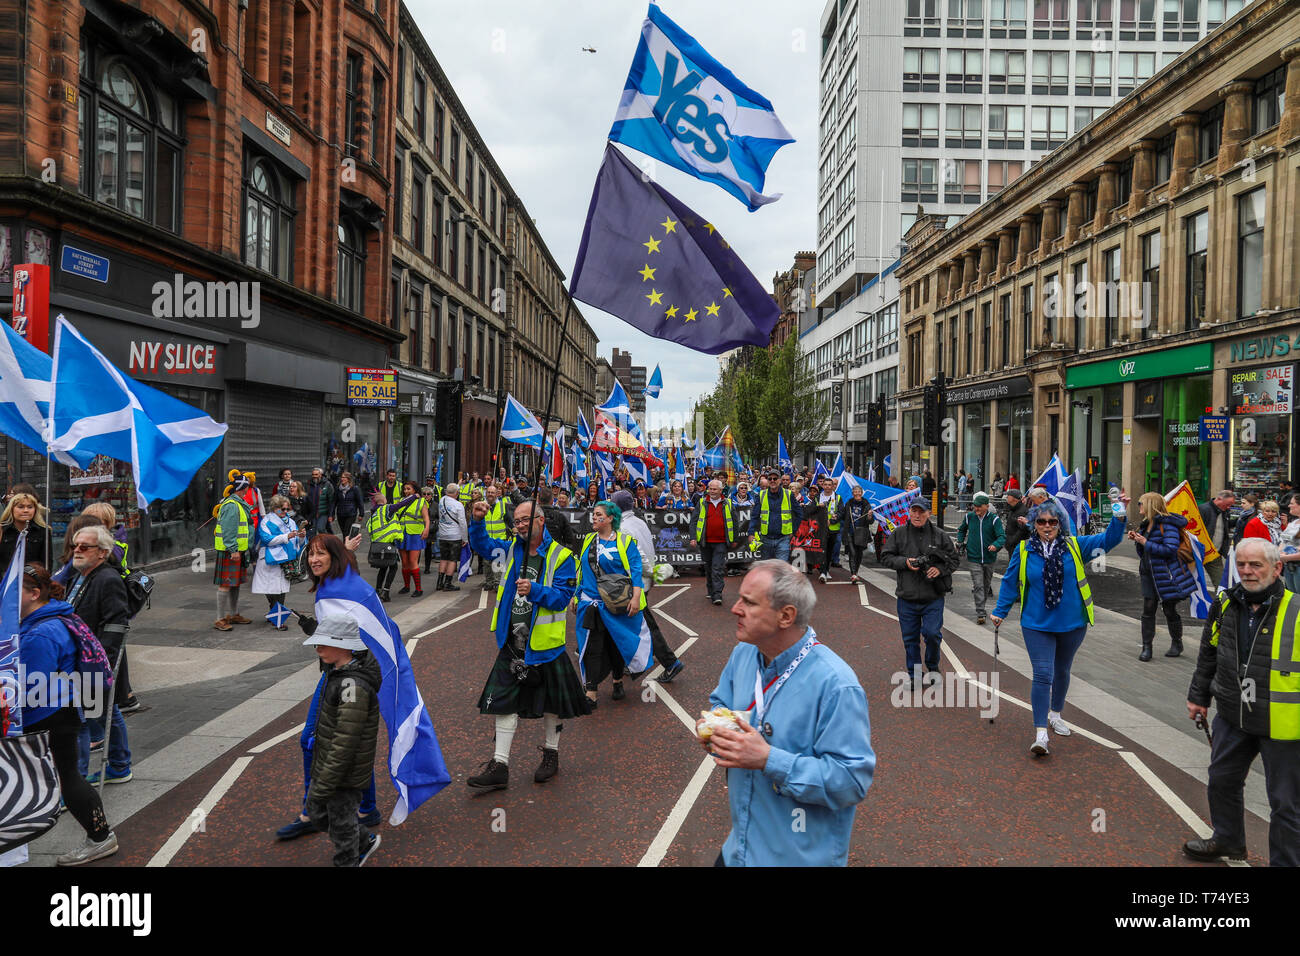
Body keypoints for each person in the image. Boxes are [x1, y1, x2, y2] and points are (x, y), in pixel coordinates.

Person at [701, 560, 874, 866]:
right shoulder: (745, 652)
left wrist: (769, 760)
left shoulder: (836, 685)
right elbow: (721, 703)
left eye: (749, 602)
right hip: (738, 852)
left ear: (786, 616)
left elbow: (851, 781)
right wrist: (714, 727)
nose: (735, 609)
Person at [1184, 538, 1300, 866]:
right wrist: (1198, 697)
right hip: (1234, 714)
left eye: (1256, 565)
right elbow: (1209, 652)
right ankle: (1228, 840)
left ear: (1277, 568)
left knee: (1286, 804)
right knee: (1222, 780)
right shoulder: (1225, 603)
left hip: (1284, 722)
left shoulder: (1297, 608)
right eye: (1242, 564)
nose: (1247, 572)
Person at [466, 497, 590, 790]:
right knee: (504, 701)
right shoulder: (511, 550)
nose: (519, 526)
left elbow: (561, 598)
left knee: (551, 704)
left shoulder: (562, 557)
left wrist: (535, 590)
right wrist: (477, 520)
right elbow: (483, 545)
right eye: (516, 522)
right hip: (512, 640)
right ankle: (499, 765)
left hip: (545, 645)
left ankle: (551, 754)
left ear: (540, 521)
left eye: (524, 520)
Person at [991, 496, 1128, 756]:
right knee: (1043, 673)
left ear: (1059, 523)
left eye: (1052, 521)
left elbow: (1108, 541)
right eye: (1041, 521)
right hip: (1036, 624)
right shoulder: (1023, 551)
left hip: (1072, 623)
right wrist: (1000, 611)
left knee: (1062, 671)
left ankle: (1056, 714)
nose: (1047, 525)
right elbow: (1009, 584)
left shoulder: (1075, 547)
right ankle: (1041, 733)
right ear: (1034, 524)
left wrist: (1119, 515)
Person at [19, 563, 120, 865]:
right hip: (63, 709)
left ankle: (100, 837)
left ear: (35, 594)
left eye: (15, 593)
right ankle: (101, 836)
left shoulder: (41, 633)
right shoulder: (55, 616)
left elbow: (29, 685)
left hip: (48, 715)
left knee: (68, 777)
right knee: (68, 775)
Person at [300, 614, 383, 867]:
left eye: (324, 643)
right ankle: (364, 840)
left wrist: (326, 780)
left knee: (339, 823)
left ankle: (349, 858)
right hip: (330, 768)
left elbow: (346, 742)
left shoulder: (351, 685)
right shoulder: (338, 671)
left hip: (342, 773)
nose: (318, 648)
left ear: (346, 646)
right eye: (317, 642)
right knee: (320, 814)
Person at [68, 525, 132, 784]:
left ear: (103, 553)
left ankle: (111, 768)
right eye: (75, 545)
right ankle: (119, 765)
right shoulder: (80, 574)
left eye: (85, 547)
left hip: (93, 663)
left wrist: (101, 663)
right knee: (107, 712)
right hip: (83, 659)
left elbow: (117, 622)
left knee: (89, 716)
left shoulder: (107, 579)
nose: (77, 550)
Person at [573, 501, 652, 706]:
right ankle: (591, 691)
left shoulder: (625, 542)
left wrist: (636, 598)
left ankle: (617, 680)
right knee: (592, 646)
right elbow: (581, 571)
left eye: (598, 514)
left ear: (610, 519)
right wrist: (576, 595)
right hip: (590, 603)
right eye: (593, 514)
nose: (594, 517)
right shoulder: (589, 539)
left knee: (615, 644)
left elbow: (635, 571)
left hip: (616, 604)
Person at [879, 499, 960, 686]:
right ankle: (915, 675)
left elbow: (954, 560)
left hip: (933, 596)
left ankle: (933, 667)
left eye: (920, 512)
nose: (916, 515)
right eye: (913, 511)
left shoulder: (940, 535)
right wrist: (905, 563)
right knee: (910, 638)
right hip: (907, 596)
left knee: (932, 634)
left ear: (928, 513)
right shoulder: (898, 533)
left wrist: (940, 570)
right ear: (909, 512)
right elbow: (885, 557)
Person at [611, 489, 684, 682]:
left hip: (634, 584)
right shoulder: (639, 521)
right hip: (642, 582)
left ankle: (669, 662)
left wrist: (650, 572)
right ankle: (634, 661)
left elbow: (639, 557)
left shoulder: (623, 528)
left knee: (644, 626)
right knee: (635, 624)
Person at [1130, 492, 1198, 661]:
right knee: (1148, 608)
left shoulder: (1168, 525)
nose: (1139, 506)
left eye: (1141, 503)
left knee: (1169, 609)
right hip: (1148, 573)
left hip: (1166, 574)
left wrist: (1146, 543)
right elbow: (1143, 552)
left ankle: (1177, 642)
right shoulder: (1146, 524)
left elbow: (1170, 549)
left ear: (1150, 505)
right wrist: (1138, 541)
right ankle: (1147, 647)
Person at [252, 495, 306, 628]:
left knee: (281, 591)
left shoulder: (291, 522)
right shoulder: (266, 521)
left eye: (288, 509)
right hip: (270, 560)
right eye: (283, 509)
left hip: (286, 560)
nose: (286, 511)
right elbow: (267, 539)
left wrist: (301, 537)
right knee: (270, 590)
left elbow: (298, 543)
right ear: (275, 508)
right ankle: (274, 612)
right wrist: (286, 536)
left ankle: (277, 619)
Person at [956, 492, 1005, 625]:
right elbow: (961, 530)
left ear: (986, 506)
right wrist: (960, 541)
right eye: (974, 506)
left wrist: (995, 545)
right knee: (978, 585)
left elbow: (1001, 536)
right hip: (973, 557)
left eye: (978, 506)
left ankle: (981, 607)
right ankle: (981, 612)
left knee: (985, 585)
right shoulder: (969, 517)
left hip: (989, 558)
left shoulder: (994, 519)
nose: (975, 508)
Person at [213, 473, 254, 631]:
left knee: (234, 584)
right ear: (242, 489)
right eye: (246, 488)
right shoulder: (231, 505)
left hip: (238, 550)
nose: (247, 490)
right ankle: (219, 618)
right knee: (225, 584)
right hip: (231, 551)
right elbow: (229, 530)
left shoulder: (239, 503)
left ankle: (234, 614)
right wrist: (233, 549)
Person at [696, 479, 737, 606]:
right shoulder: (702, 502)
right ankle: (711, 589)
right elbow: (693, 520)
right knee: (708, 567)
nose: (712, 491)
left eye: (714, 489)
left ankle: (717, 594)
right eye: (710, 489)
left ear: (720, 490)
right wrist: (693, 537)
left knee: (717, 568)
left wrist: (734, 538)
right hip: (705, 542)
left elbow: (735, 522)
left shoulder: (728, 503)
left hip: (721, 542)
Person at [387, 480, 429, 597]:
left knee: (413, 562)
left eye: (408, 489)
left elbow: (426, 518)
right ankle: (406, 586)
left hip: (415, 534)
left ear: (415, 490)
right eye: (405, 489)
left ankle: (418, 589)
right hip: (402, 534)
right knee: (404, 563)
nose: (406, 491)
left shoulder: (421, 501)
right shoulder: (400, 501)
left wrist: (426, 529)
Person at [749, 472, 802, 563]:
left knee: (781, 569)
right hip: (765, 539)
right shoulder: (761, 495)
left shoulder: (788, 494)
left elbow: (799, 513)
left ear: (780, 480)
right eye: (770, 479)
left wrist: (793, 530)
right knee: (767, 570)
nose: (772, 481)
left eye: (775, 478)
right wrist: (751, 533)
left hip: (783, 539)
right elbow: (754, 516)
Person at [0, 491, 48, 570]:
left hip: (32, 579)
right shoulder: (2, 529)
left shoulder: (43, 531)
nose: (26, 510)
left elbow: (46, 562)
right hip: (5, 580)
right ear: (11, 509)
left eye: (30, 507)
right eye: (20, 507)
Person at [1199, 489, 1237, 587]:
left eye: (1231, 505)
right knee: (1190, 582)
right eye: (1228, 504)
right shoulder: (1204, 509)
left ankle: (1220, 601)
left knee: (1221, 583)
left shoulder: (1224, 512)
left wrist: (1239, 520)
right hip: (1200, 551)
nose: (1229, 507)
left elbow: (1225, 526)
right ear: (1219, 499)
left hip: (1214, 553)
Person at [435, 482, 467, 592]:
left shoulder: (441, 500)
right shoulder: (458, 505)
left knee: (444, 558)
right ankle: (448, 583)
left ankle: (439, 582)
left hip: (443, 534)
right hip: (454, 535)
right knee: (452, 559)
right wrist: (465, 538)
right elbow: (462, 523)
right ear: (457, 493)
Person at [838, 485, 874, 584]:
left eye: (859, 491)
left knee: (859, 554)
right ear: (852, 493)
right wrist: (836, 516)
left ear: (862, 493)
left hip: (861, 533)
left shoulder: (866, 504)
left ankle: (856, 572)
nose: (857, 493)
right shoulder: (849, 503)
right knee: (852, 553)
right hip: (850, 532)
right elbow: (843, 515)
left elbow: (870, 521)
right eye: (855, 491)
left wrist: (870, 516)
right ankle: (853, 574)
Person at [810, 475, 843, 583]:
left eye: (830, 485)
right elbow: (812, 511)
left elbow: (841, 512)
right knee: (820, 550)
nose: (828, 487)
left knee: (829, 550)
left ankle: (825, 570)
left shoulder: (838, 497)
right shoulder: (818, 497)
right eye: (826, 485)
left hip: (833, 529)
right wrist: (817, 508)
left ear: (833, 486)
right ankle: (823, 570)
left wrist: (833, 520)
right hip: (819, 529)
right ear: (822, 485)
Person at [481, 484, 510, 592]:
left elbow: (509, 520)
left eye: (492, 492)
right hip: (487, 539)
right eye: (488, 492)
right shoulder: (482, 505)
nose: (490, 494)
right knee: (487, 562)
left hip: (499, 539)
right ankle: (489, 582)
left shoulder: (503, 505)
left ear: (496, 494)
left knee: (498, 562)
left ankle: (498, 583)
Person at [305, 467, 336, 537]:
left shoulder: (327, 484)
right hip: (312, 513)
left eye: (316, 474)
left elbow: (331, 501)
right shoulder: (309, 484)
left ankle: (328, 541)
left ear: (320, 475)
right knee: (312, 531)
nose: (314, 476)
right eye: (313, 474)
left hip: (323, 512)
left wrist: (331, 514)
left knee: (321, 529)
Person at [334, 471, 365, 541]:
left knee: (346, 532)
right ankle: (348, 545)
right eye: (341, 477)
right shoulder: (338, 489)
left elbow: (360, 501)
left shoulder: (354, 489)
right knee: (344, 532)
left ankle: (345, 548)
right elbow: (334, 502)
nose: (342, 479)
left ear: (348, 479)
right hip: (340, 514)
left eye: (344, 477)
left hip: (351, 513)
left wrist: (361, 514)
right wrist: (331, 514)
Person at [1279, 495, 1300, 592]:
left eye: (1292, 503)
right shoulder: (1293, 523)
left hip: (1297, 566)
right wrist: (1279, 554)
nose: (1289, 506)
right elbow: (1283, 541)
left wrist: (1286, 557)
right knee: (1292, 599)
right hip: (1289, 567)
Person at [1003, 488, 1029, 555]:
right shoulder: (1012, 509)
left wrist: (1012, 541)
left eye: (1008, 496)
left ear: (1013, 498)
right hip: (1011, 545)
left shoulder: (1022, 511)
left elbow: (1022, 530)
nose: (1006, 497)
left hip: (1017, 546)